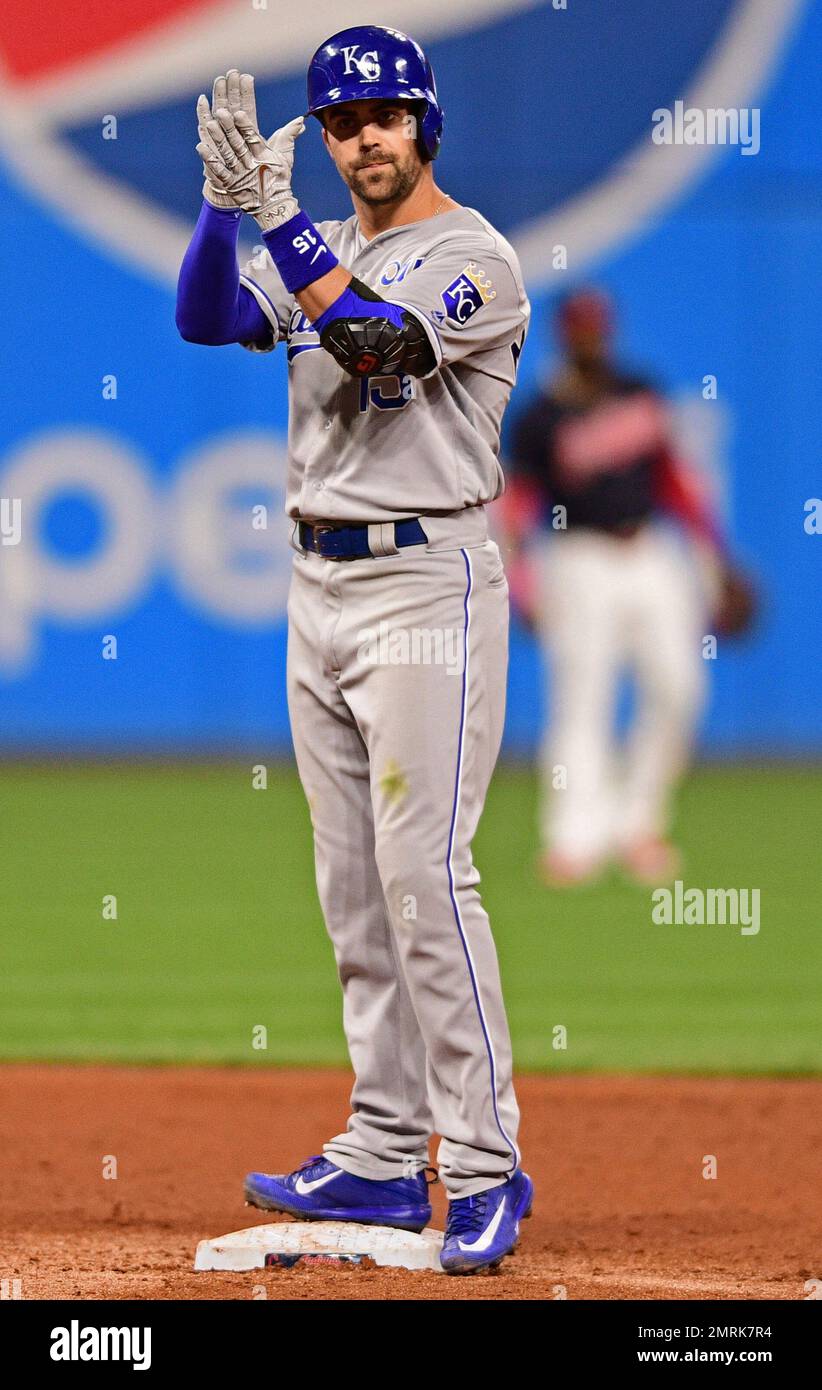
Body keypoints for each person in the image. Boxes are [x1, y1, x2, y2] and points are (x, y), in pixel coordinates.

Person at [175, 26, 533, 1274]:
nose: (363, 135)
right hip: (318, 582)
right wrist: (226, 213)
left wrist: (281, 221)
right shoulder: (319, 243)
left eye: (383, 113)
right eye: (340, 120)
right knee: (354, 891)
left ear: (423, 122)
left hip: (426, 582)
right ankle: (384, 1150)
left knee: (428, 879)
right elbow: (206, 316)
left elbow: (378, 346)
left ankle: (485, 1163)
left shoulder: (474, 257)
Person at [504, 288, 739, 887]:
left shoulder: (639, 390)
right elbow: (518, 509)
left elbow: (674, 480)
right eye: (579, 329)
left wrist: (718, 559)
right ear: (564, 335)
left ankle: (640, 822)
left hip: (652, 553)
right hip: (579, 557)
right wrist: (523, 586)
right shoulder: (540, 416)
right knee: (582, 699)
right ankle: (575, 837)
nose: (589, 337)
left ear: (607, 331)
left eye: (596, 327)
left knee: (680, 686)